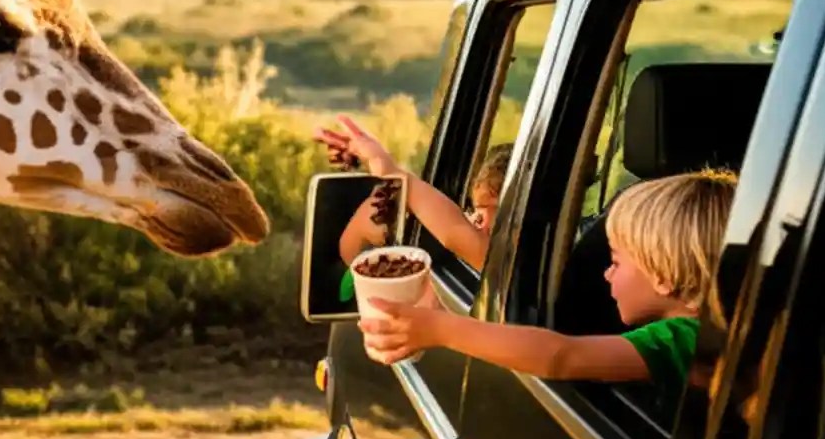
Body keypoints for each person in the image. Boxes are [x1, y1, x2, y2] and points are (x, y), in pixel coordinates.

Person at [358, 169, 737, 412]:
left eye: (617, 262)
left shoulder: (683, 340)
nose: (605, 275)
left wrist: (440, 329)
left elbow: (561, 356)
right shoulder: (727, 328)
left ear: (664, 275)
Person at [315, 115, 510, 270]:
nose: (476, 220)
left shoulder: (518, 269)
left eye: (494, 209)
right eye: (475, 210)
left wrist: (390, 172)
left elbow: (456, 233)